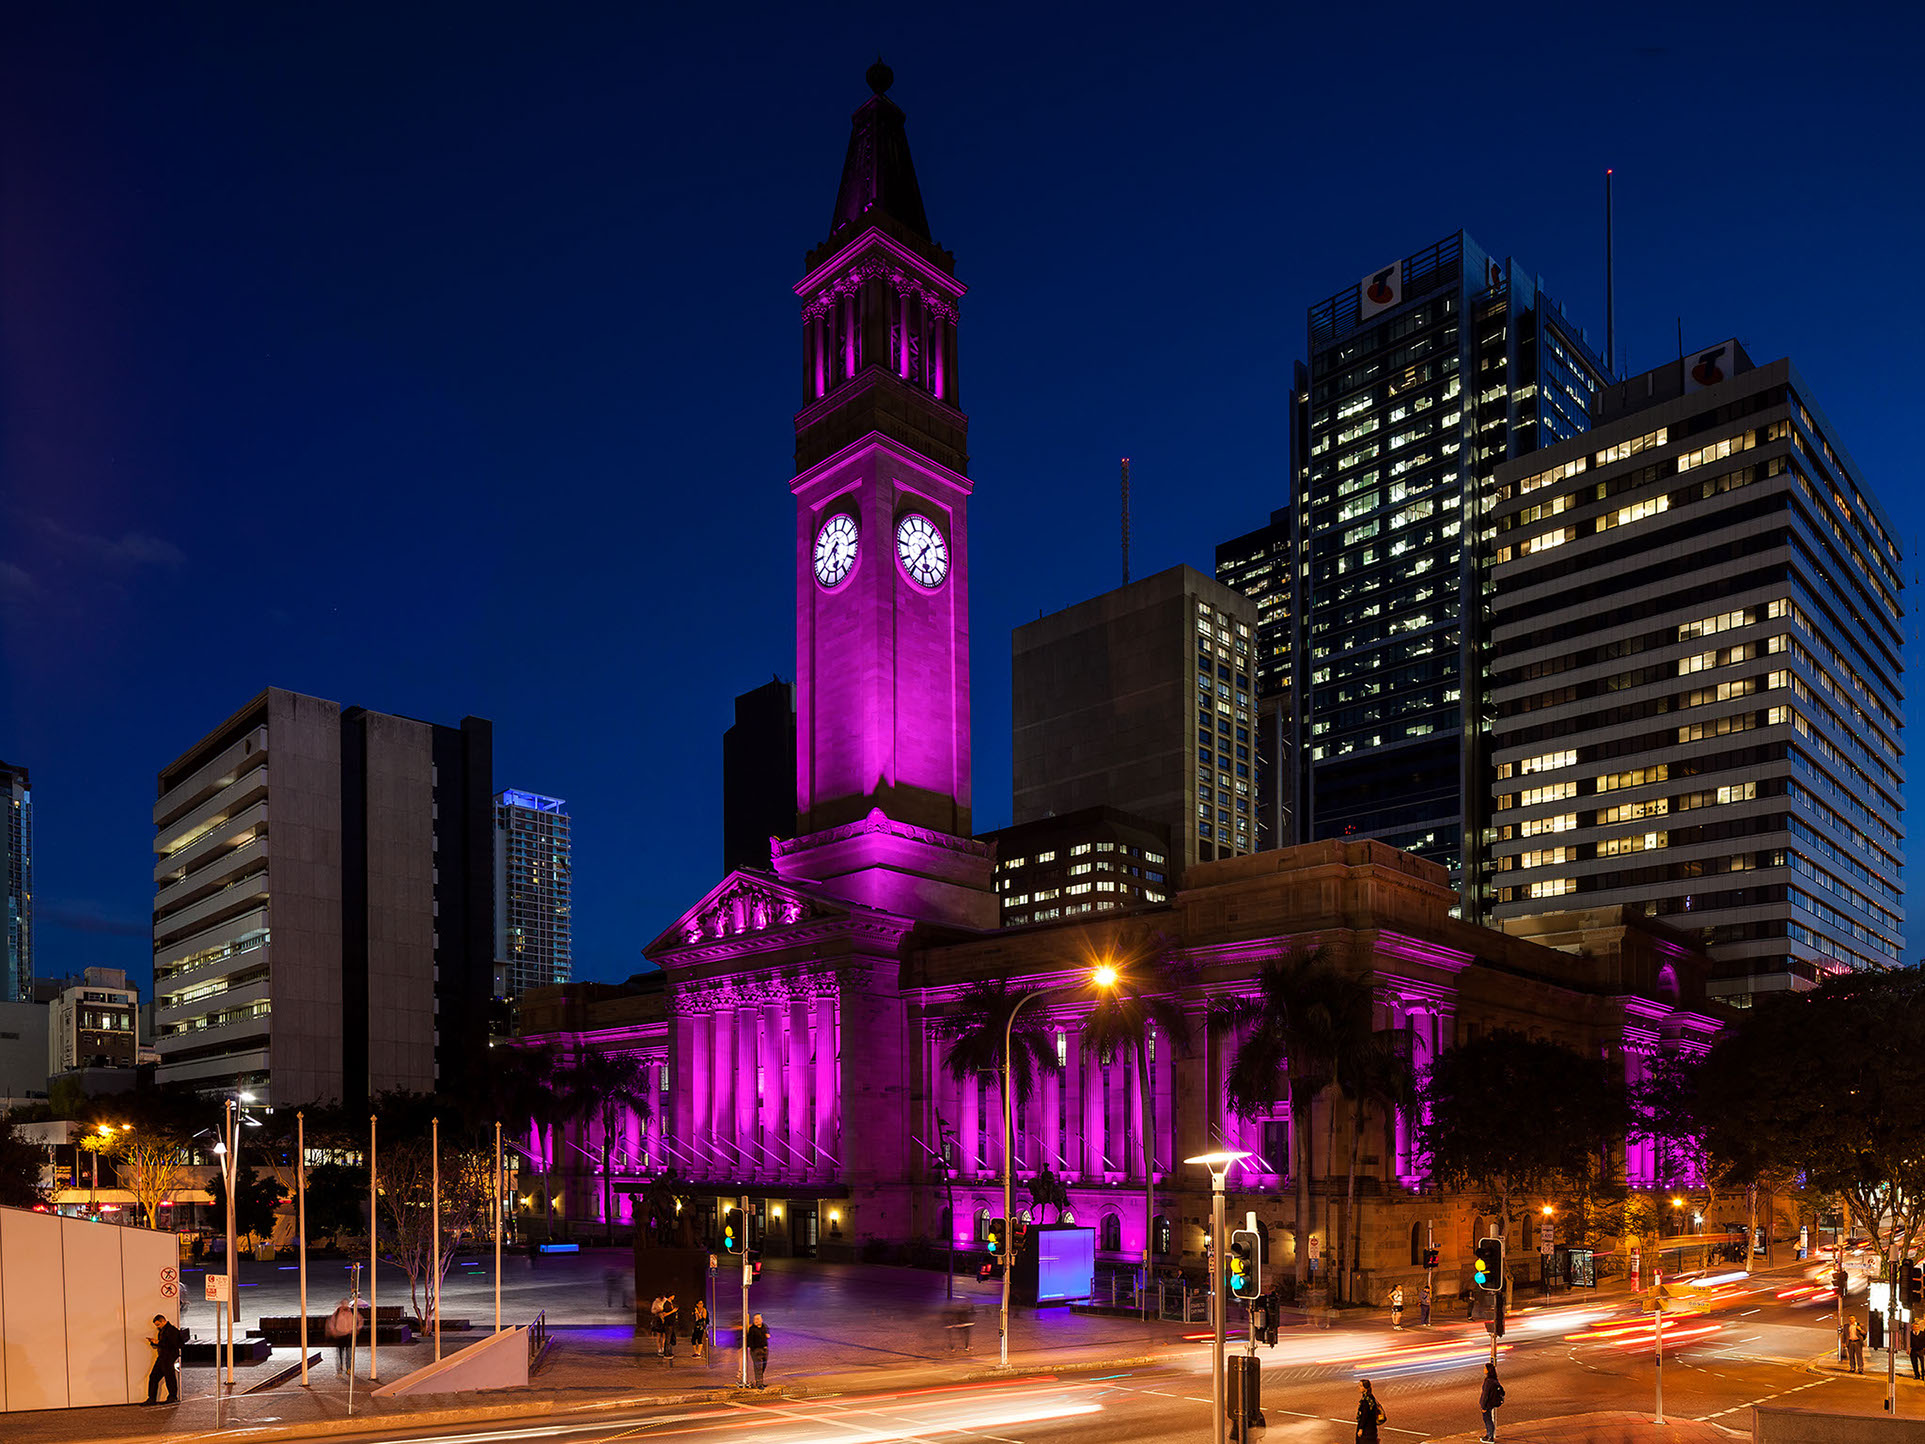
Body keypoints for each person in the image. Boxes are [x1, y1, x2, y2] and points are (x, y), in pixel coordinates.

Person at [144, 1315, 183, 1404]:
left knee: (168, 1377)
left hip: (168, 1357)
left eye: (158, 1324)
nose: (157, 1327)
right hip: (164, 1356)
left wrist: (158, 1342)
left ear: (163, 1321)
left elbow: (174, 1344)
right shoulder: (165, 1330)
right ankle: (154, 1398)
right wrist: (155, 1343)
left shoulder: (172, 1331)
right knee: (156, 1377)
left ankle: (170, 1397)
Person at [324, 1296, 360, 1376]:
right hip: (340, 1335)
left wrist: (357, 1328)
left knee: (349, 1353)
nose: (344, 1305)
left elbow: (360, 1319)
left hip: (349, 1335)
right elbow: (331, 1322)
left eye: (346, 1304)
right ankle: (340, 1369)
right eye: (343, 1304)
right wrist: (333, 1331)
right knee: (340, 1353)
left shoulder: (352, 1311)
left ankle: (349, 1369)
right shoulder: (337, 1312)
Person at [1478, 1361, 1504, 1441]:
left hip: (1487, 1404)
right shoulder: (1494, 1380)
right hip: (1491, 1403)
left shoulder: (1488, 1381)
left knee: (1487, 1420)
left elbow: (1485, 1395)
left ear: (1488, 1370)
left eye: (1485, 1368)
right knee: (1488, 1419)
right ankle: (1489, 1434)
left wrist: (1483, 1406)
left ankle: (1490, 1436)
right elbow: (1502, 1392)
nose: (1484, 1369)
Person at [1356, 1379, 1386, 1443]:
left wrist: (1361, 1429)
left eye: (1361, 1386)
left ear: (1365, 1388)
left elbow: (1364, 1415)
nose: (1359, 1387)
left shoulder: (1365, 1400)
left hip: (1366, 1430)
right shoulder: (1371, 1397)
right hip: (1372, 1428)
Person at [746, 1313, 769, 1387]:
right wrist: (752, 1348)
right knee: (758, 1367)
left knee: (763, 1366)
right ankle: (759, 1384)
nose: (756, 1321)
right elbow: (749, 1340)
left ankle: (760, 1381)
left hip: (764, 1349)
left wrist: (767, 1336)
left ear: (761, 1320)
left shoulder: (764, 1326)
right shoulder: (752, 1329)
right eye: (755, 1319)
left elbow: (767, 1333)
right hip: (756, 1350)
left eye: (758, 1319)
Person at [660, 1294, 680, 1364]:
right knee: (667, 1338)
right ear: (670, 1296)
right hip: (668, 1324)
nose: (674, 1297)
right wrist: (673, 1311)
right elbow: (664, 1314)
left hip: (671, 1323)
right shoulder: (666, 1304)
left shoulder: (670, 1303)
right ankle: (666, 1353)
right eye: (673, 1296)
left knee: (670, 1338)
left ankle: (668, 1351)